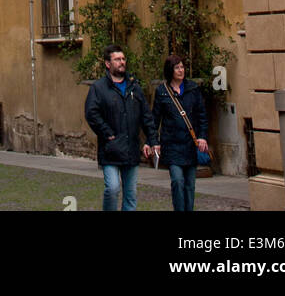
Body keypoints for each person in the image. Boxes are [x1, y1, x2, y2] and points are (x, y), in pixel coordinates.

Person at [84, 44, 159, 211]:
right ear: (108, 64)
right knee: (112, 188)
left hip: (131, 148)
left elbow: (146, 116)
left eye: (123, 59)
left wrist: (153, 140)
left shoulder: (134, 87)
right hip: (110, 148)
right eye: (117, 59)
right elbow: (91, 113)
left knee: (130, 194)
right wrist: (107, 133)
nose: (122, 62)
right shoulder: (99, 88)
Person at [152, 54, 209, 212]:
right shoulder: (162, 91)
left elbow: (202, 115)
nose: (180, 70)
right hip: (171, 145)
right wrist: (154, 142)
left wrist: (202, 136)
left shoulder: (192, 89)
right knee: (177, 181)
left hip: (190, 144)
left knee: (190, 184)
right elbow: (155, 119)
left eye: (182, 67)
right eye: (177, 67)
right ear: (170, 70)